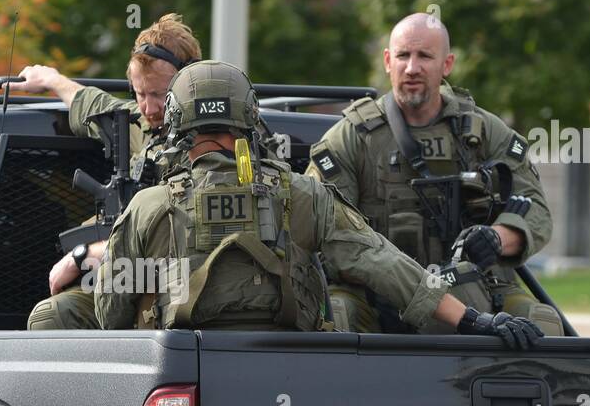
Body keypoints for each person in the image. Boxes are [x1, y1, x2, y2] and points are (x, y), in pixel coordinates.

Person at [93, 60, 543, 350]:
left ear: (175, 123)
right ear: (249, 119)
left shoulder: (146, 207)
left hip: (177, 375)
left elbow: (109, 316)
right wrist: (475, 321)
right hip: (289, 367)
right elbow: (384, 264)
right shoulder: (303, 194)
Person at [303, 13, 561, 336]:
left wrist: (497, 239)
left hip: (474, 290)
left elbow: (536, 210)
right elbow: (321, 226)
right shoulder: (352, 137)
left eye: (425, 56)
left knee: (541, 322)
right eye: (403, 55)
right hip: (372, 295)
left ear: (447, 64)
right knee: (334, 314)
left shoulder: (482, 132)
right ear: (387, 61)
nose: (412, 68)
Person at [17, 13, 202, 329]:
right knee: (53, 316)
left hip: (185, 279)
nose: (148, 107)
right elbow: (91, 103)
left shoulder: (210, 140)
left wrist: (85, 255)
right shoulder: (138, 125)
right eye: (140, 94)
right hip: (131, 275)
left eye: (158, 94)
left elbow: (186, 230)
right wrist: (49, 79)